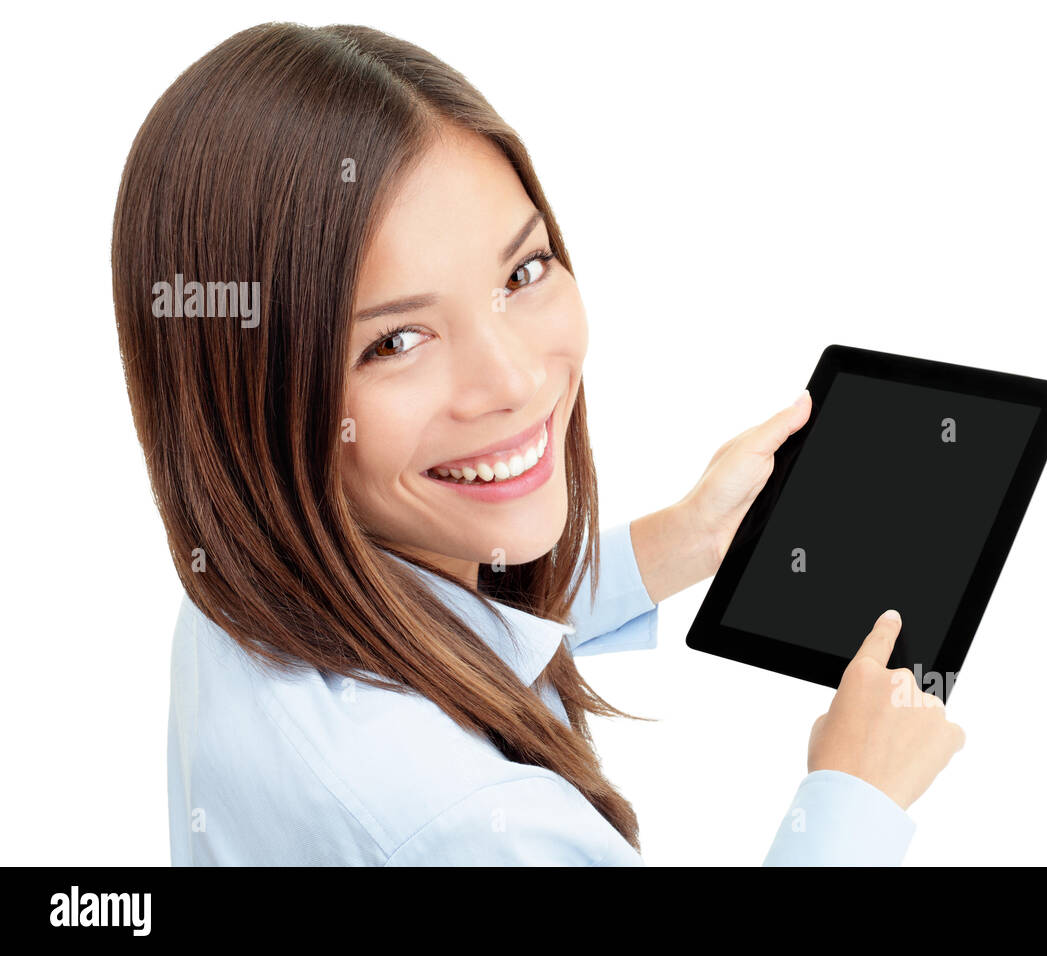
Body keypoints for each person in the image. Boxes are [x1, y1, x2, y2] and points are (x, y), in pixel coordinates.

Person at [111, 22, 964, 865]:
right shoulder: (477, 826)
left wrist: (685, 540)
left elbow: (429, 637)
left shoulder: (236, 595)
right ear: (250, 400)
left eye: (521, 274)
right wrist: (854, 795)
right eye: (395, 340)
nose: (514, 381)